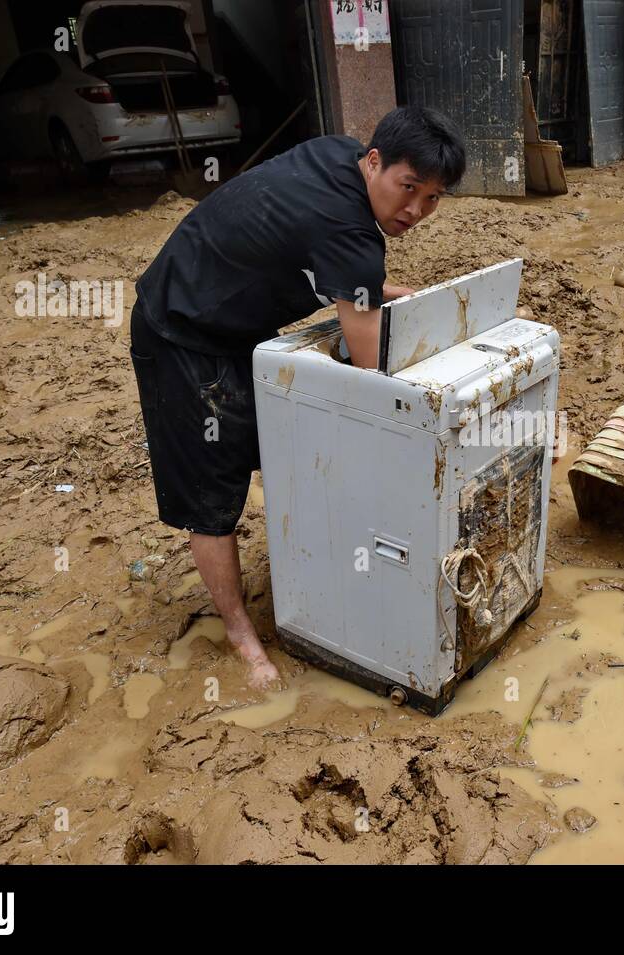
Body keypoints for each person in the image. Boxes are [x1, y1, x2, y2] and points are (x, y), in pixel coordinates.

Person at [129, 106, 466, 688]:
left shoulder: (340, 153)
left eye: (433, 198)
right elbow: (371, 373)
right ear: (375, 161)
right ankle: (240, 632)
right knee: (212, 490)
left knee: (283, 445)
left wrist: (379, 290)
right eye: (408, 188)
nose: (415, 211)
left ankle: (311, 565)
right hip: (179, 328)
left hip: (234, 317)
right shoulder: (350, 231)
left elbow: (302, 237)